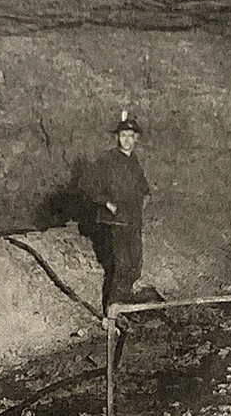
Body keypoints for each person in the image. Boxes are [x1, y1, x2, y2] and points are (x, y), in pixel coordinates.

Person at [80, 112, 151, 313]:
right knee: (121, 265)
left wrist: (144, 198)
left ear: (136, 138)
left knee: (135, 265)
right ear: (117, 138)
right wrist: (107, 203)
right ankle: (111, 312)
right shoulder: (107, 159)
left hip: (133, 221)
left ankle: (123, 305)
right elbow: (87, 184)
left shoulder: (134, 161)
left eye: (130, 135)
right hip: (114, 222)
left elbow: (143, 187)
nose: (127, 139)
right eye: (123, 135)